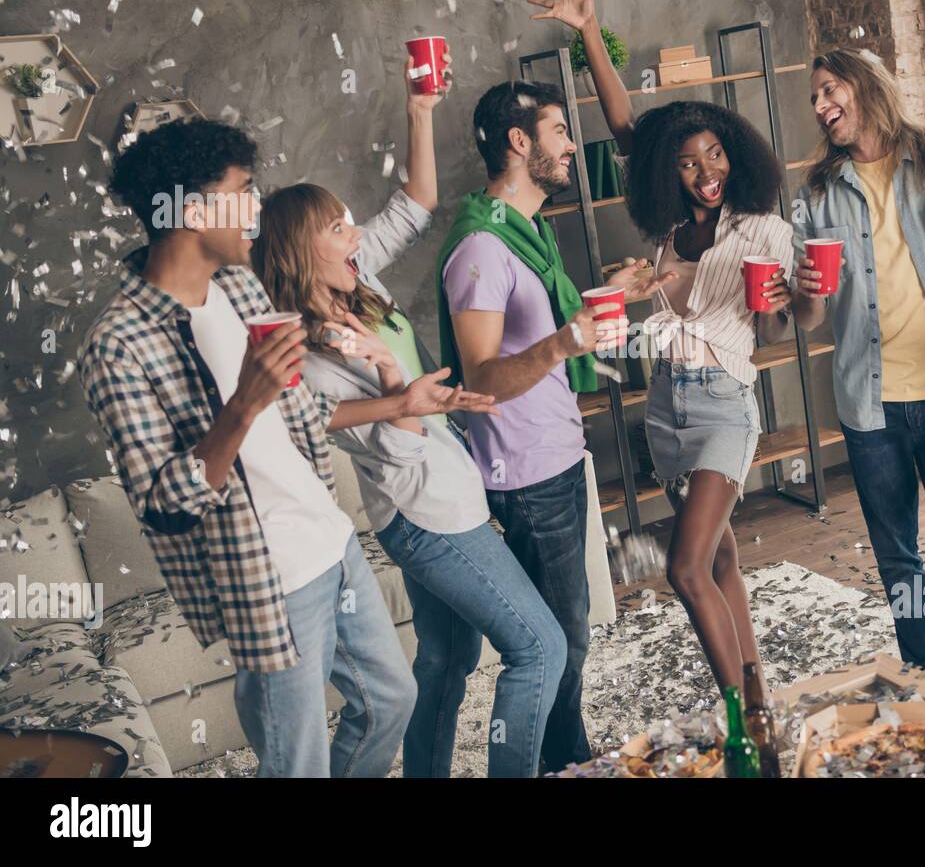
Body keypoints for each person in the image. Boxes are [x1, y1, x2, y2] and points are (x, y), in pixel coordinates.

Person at [77, 117, 446, 777]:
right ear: (193, 209)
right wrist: (242, 403)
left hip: (330, 543)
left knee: (392, 699)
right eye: (244, 190)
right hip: (267, 578)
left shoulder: (243, 288)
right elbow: (165, 504)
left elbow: (299, 414)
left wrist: (399, 400)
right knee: (294, 763)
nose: (257, 207)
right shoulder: (119, 345)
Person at [252, 55, 569, 777]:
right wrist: (401, 391)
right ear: (307, 248)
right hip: (427, 516)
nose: (355, 232)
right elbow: (388, 455)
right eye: (338, 227)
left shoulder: (357, 284)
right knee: (540, 649)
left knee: (449, 657)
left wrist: (419, 109)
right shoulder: (309, 353)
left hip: (442, 495)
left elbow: (415, 203)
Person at [530, 0, 795, 700]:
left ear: (733, 154)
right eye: (688, 161)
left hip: (723, 408)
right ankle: (760, 694)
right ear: (670, 173)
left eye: (714, 155)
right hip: (666, 412)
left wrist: (777, 302)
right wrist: (588, 32)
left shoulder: (763, 229)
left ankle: (746, 720)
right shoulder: (671, 234)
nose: (705, 171)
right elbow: (628, 131)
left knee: (683, 569)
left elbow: (780, 324)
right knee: (719, 565)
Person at [436, 76, 671, 772]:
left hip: (558, 458)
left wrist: (612, 296)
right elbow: (482, 376)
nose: (572, 146)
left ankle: (569, 760)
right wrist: (567, 343)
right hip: (526, 475)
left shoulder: (524, 229)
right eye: (560, 132)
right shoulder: (480, 248)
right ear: (519, 142)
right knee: (554, 646)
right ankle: (558, 763)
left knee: (568, 639)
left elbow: (544, 327)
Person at [789, 49, 925, 695]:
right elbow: (808, 319)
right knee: (897, 558)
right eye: (814, 98)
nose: (821, 106)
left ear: (866, 86)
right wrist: (803, 289)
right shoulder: (818, 191)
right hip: (869, 406)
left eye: (829, 90)